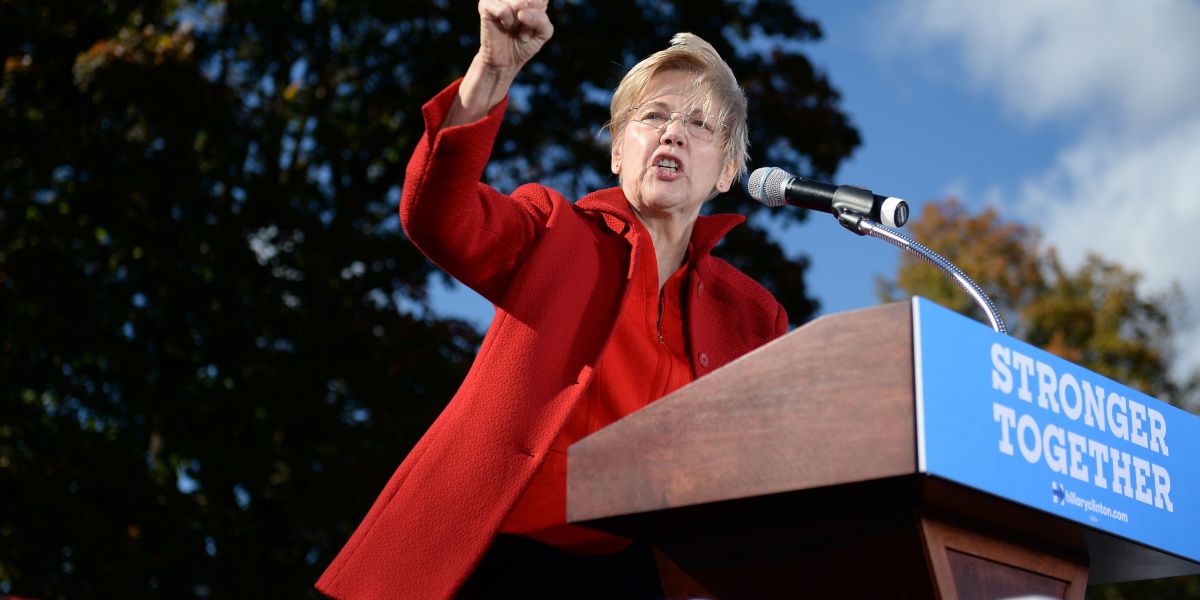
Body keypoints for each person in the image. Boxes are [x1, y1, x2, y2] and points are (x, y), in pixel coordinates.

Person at [316, 1, 787, 598]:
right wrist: (492, 68)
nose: (673, 132)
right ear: (618, 152)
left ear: (727, 170)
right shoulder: (552, 231)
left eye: (699, 123)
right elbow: (437, 216)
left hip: (641, 575)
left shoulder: (750, 315)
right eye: (653, 116)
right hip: (487, 556)